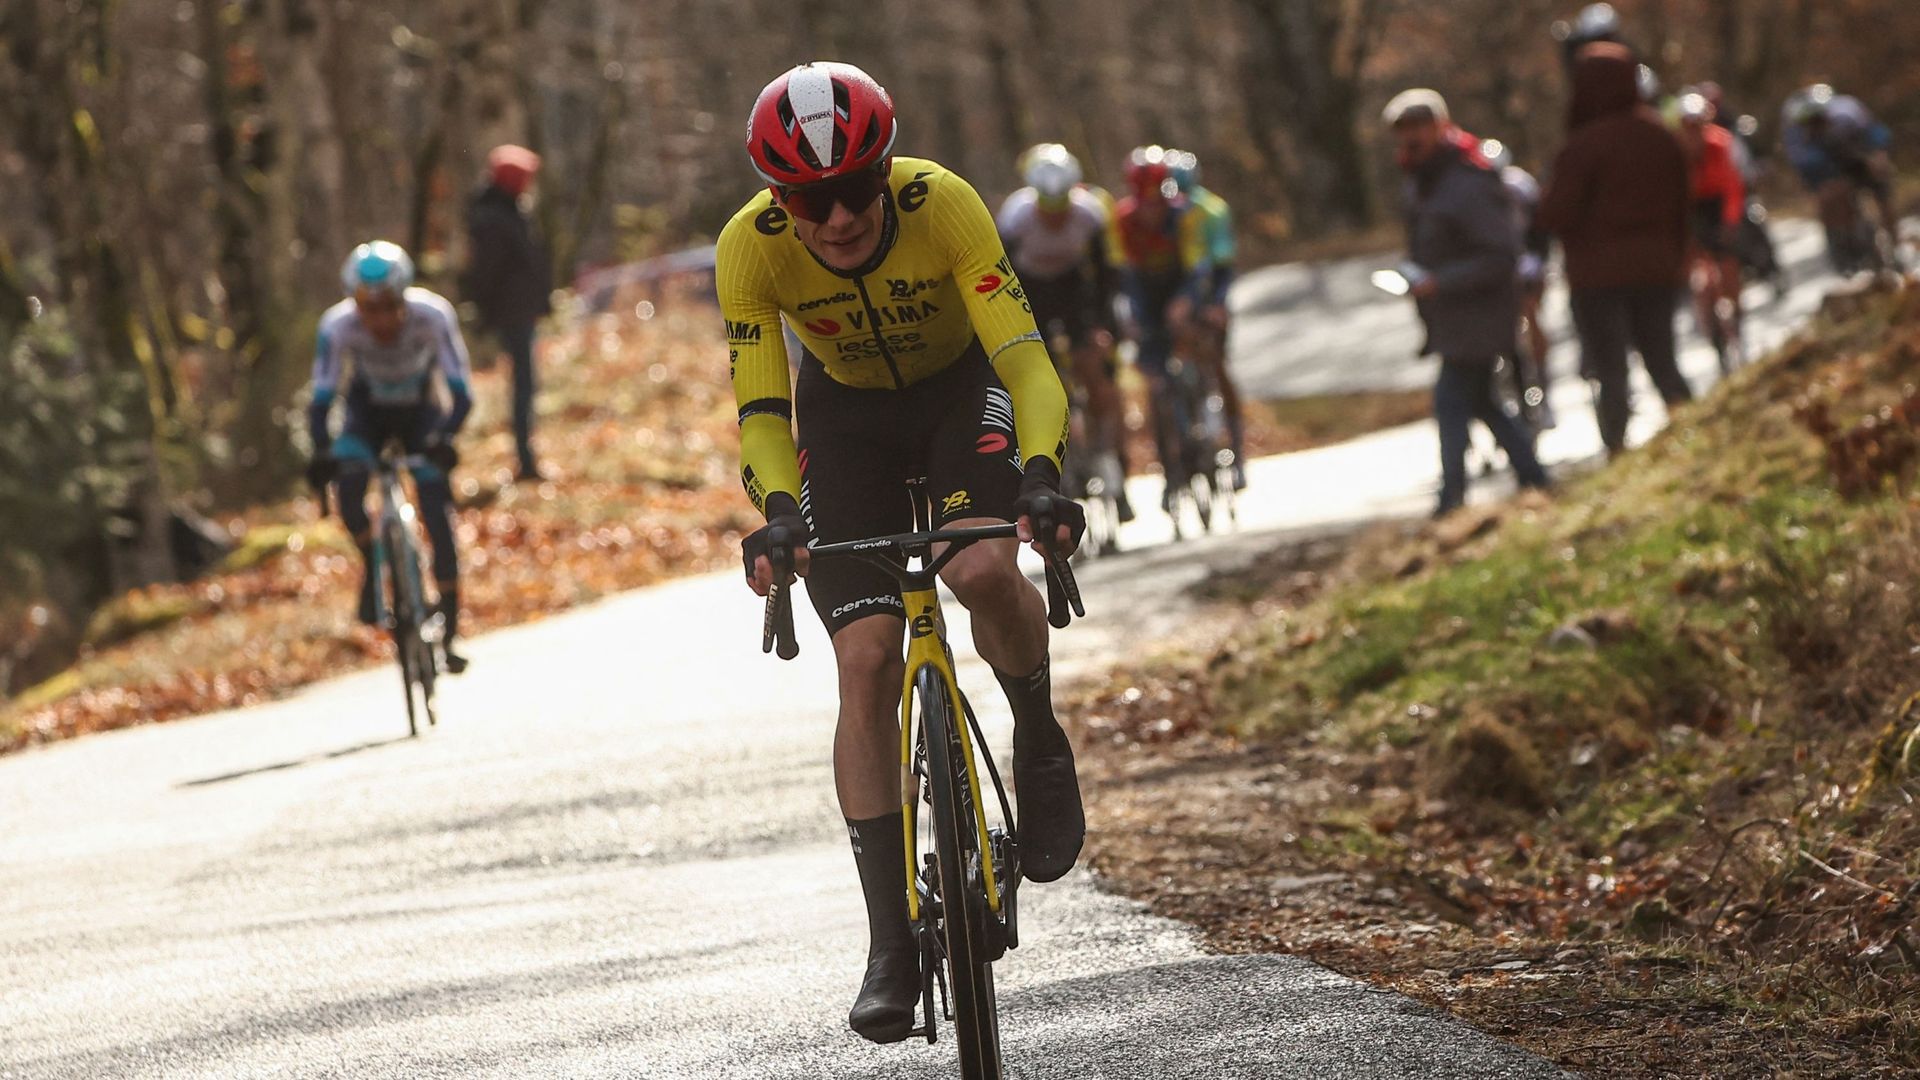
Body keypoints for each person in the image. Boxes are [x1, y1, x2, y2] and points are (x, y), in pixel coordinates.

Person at [716, 61, 1086, 1045]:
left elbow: (1025, 361)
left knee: (979, 567)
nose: (838, 218)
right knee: (868, 659)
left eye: (854, 190)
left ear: (885, 172)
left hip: (958, 394)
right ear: (779, 199)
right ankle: (889, 940)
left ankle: (1038, 735)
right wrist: (779, 510)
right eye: (810, 201)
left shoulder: (942, 202)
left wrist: (1041, 473)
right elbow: (762, 410)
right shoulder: (748, 247)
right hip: (845, 425)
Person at [1381, 90, 1551, 517]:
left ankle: (1451, 499)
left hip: (1482, 313)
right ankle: (1534, 476)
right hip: (1452, 317)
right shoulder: (1422, 181)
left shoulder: (1469, 180)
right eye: (1402, 132)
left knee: (1450, 401)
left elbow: (1501, 256)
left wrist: (1441, 282)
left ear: (1441, 126)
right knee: (1482, 402)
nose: (1409, 140)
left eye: (1417, 129)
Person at [306, 242, 474, 673]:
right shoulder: (337, 327)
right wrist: (321, 451)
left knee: (435, 507)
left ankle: (450, 628)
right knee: (348, 492)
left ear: (404, 297)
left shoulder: (433, 316)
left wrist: (446, 437)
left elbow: (460, 392)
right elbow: (322, 397)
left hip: (421, 410)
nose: (379, 320)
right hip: (367, 413)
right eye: (368, 309)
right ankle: (374, 563)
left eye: (388, 307)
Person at [1538, 43, 1694, 458]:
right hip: (1658, 268)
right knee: (1662, 358)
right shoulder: (1661, 136)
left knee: (1610, 368)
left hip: (1598, 276)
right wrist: (1681, 256)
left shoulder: (1583, 146)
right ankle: (1695, 433)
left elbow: (1555, 212)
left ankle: (1617, 448)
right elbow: (1684, 204)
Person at [996, 145, 1132, 520]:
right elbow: (999, 275)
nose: (1056, 219)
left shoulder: (1089, 213)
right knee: (1041, 375)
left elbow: (1106, 276)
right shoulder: (1016, 216)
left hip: (1075, 294)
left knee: (1095, 369)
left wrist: (1106, 327)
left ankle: (1110, 460)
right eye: (1049, 210)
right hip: (1031, 293)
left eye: (1062, 210)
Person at [1108, 145, 1212, 514]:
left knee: (1194, 344)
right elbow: (1122, 274)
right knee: (1155, 386)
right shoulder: (1123, 219)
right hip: (1144, 294)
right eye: (1146, 204)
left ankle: (1206, 415)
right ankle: (1170, 471)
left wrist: (1187, 301)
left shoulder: (1184, 215)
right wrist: (1129, 318)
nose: (1153, 211)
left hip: (1179, 286)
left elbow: (1198, 266)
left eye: (1158, 203)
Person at [464, 144, 553, 481]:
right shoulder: (492, 218)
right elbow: (487, 272)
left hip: (522, 311)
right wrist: (484, 313)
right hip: (510, 315)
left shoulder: (512, 211)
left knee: (526, 386)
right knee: (523, 387)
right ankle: (524, 460)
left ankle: (527, 457)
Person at [1166, 149, 1249, 489]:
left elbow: (1223, 266)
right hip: (1175, 298)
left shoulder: (1213, 210)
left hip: (1209, 296)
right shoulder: (1162, 214)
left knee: (1217, 365)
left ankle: (1238, 449)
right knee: (1170, 372)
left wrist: (1217, 305)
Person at [1782, 85, 1899, 274]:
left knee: (1883, 195)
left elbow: (1875, 132)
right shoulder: (1798, 136)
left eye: (1818, 119)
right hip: (1836, 170)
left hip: (1864, 157)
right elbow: (1806, 166)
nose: (1814, 125)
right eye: (1808, 123)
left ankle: (1896, 247)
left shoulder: (1848, 114)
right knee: (1835, 199)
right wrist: (1822, 186)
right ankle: (1854, 250)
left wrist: (1879, 154)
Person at [1482, 138, 1556, 431]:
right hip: (1497, 272)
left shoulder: (1520, 186)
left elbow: (1541, 226)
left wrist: (1538, 259)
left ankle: (1543, 391)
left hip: (1527, 268)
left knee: (1532, 323)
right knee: (1506, 336)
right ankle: (1515, 394)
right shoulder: (1475, 193)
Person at [1675, 91, 1747, 369]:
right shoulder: (1675, 154)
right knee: (1701, 279)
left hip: (1719, 207)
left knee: (1728, 267)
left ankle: (1737, 317)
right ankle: (1712, 332)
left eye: (1697, 125)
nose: (1693, 132)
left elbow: (1732, 187)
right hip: (1692, 212)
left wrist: (1730, 221)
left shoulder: (1720, 143)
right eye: (1687, 126)